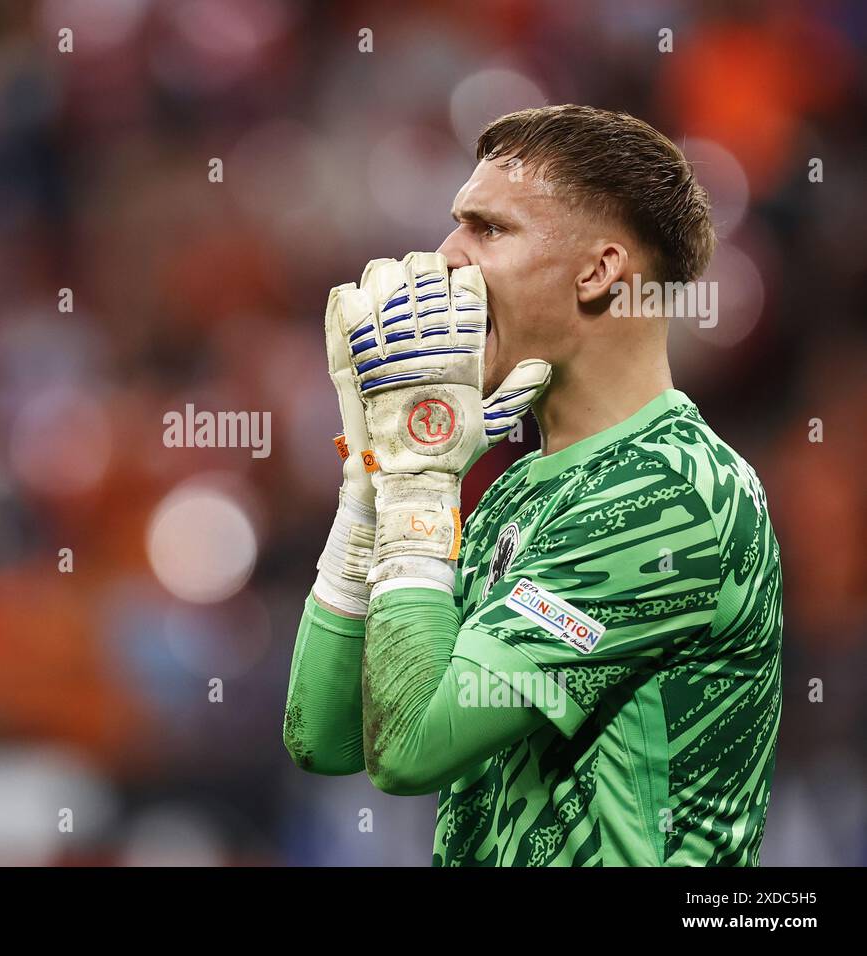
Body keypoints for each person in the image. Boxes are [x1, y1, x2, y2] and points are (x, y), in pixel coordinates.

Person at [283, 105, 782, 866]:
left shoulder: (672, 495)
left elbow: (411, 751)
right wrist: (373, 483)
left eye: (488, 229)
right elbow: (324, 736)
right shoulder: (517, 489)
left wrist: (418, 482)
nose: (446, 256)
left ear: (599, 271)